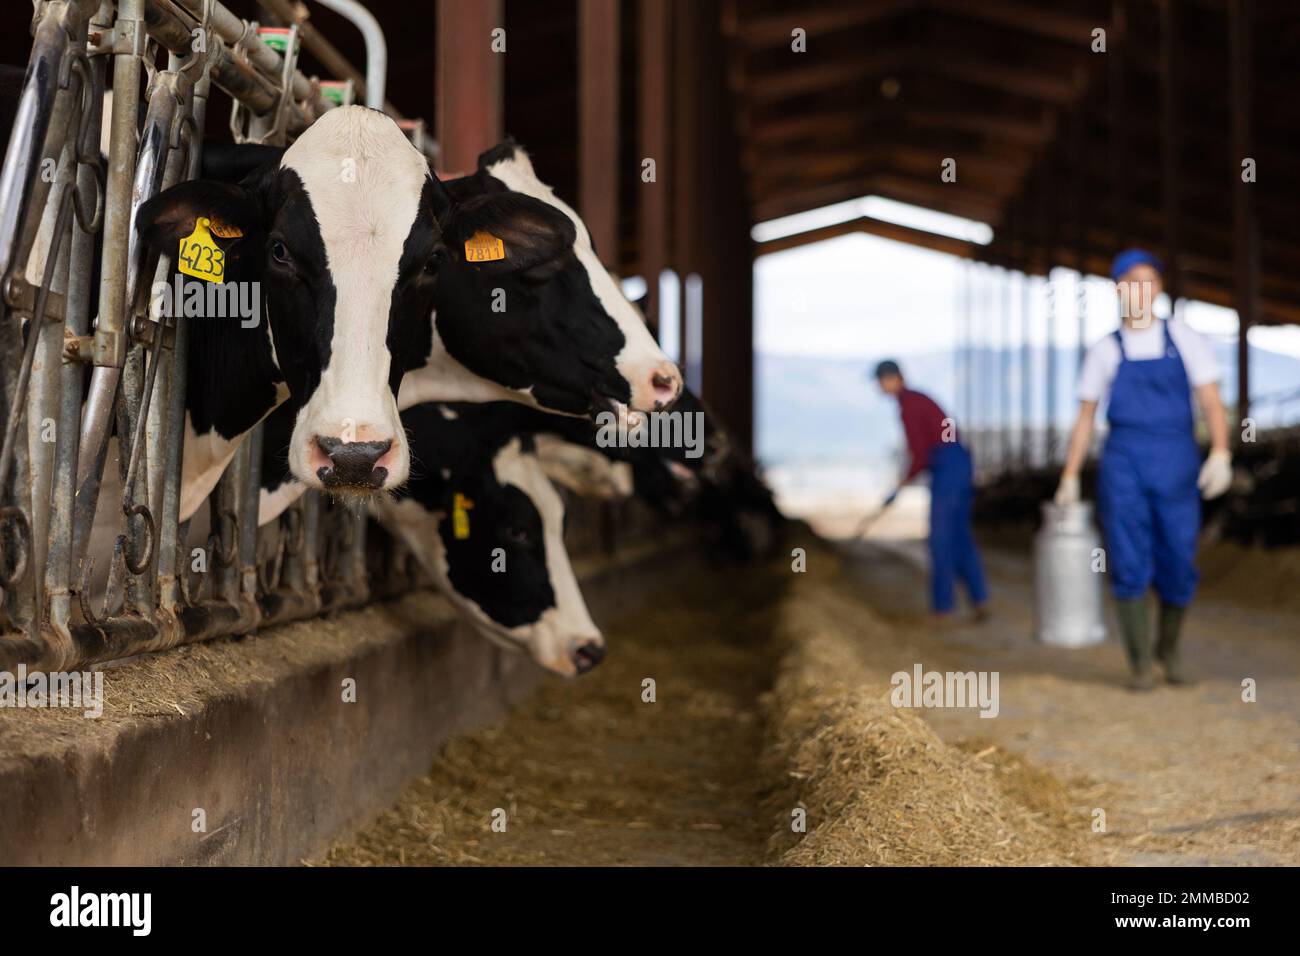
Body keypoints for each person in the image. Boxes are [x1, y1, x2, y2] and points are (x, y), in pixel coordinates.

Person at [1054, 249, 1232, 690]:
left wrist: (1222, 452)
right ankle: (1138, 664)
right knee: (1130, 560)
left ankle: (1168, 653)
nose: (1143, 290)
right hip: (1124, 461)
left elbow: (1210, 401)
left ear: (1159, 288)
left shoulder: (1185, 338)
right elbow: (1085, 417)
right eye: (1133, 281)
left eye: (1151, 281)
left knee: (1177, 558)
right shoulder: (1104, 349)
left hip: (1176, 460)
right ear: (1118, 289)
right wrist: (1070, 474)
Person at [874, 360, 989, 623]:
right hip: (958, 459)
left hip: (947, 464)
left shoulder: (908, 405)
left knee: (940, 538)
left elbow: (919, 453)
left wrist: (903, 482)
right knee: (959, 534)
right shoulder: (919, 398)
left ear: (893, 379)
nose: (879, 387)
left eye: (880, 381)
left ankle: (943, 607)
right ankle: (980, 599)